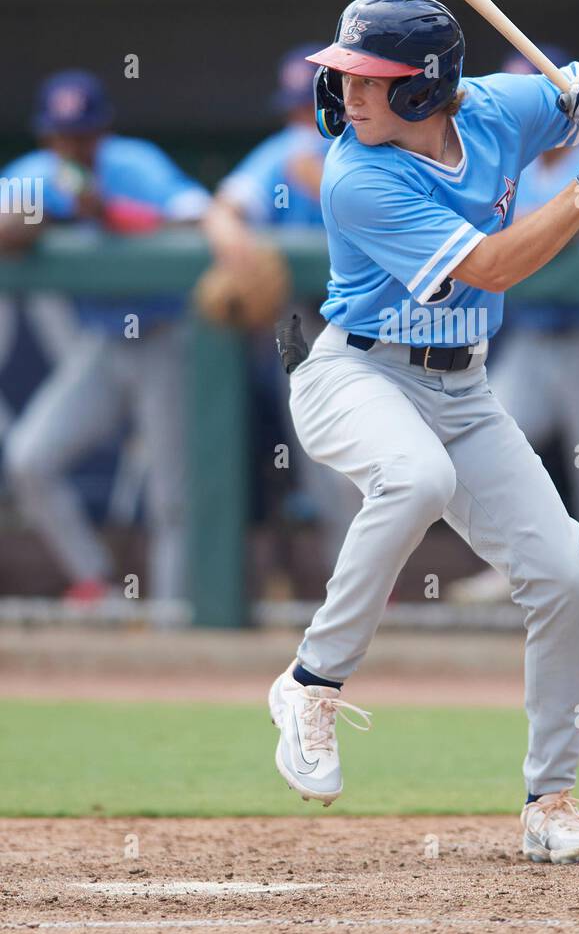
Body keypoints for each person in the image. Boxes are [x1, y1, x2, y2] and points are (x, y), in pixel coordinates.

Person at [267, 0, 579, 864]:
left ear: (426, 89)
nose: (349, 94)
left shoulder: (493, 107)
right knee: (415, 479)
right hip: (355, 372)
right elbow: (490, 264)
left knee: (561, 575)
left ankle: (550, 802)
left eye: (373, 80)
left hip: (466, 392)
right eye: (347, 77)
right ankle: (310, 684)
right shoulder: (357, 175)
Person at [447, 47, 579, 609]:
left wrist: (532, 212)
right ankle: (519, 567)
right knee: (474, 460)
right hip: (531, 342)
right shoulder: (500, 159)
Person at [1, 70, 210, 605]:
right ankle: (96, 583)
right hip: (101, 346)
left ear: (104, 130)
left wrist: (115, 214)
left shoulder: (135, 164)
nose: (74, 145)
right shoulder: (39, 175)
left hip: (166, 338)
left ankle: (171, 624)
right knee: (30, 459)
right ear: (47, 136)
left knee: (171, 499)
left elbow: (197, 220)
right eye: (63, 134)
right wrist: (58, 212)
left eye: (85, 133)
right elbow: (6, 226)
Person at [203, 46, 360, 570]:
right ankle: (361, 591)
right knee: (322, 455)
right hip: (303, 323)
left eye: (310, 106)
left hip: (384, 322)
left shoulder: (373, 148)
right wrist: (239, 249)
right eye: (294, 109)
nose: (302, 121)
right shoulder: (278, 155)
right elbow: (223, 210)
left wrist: (324, 184)